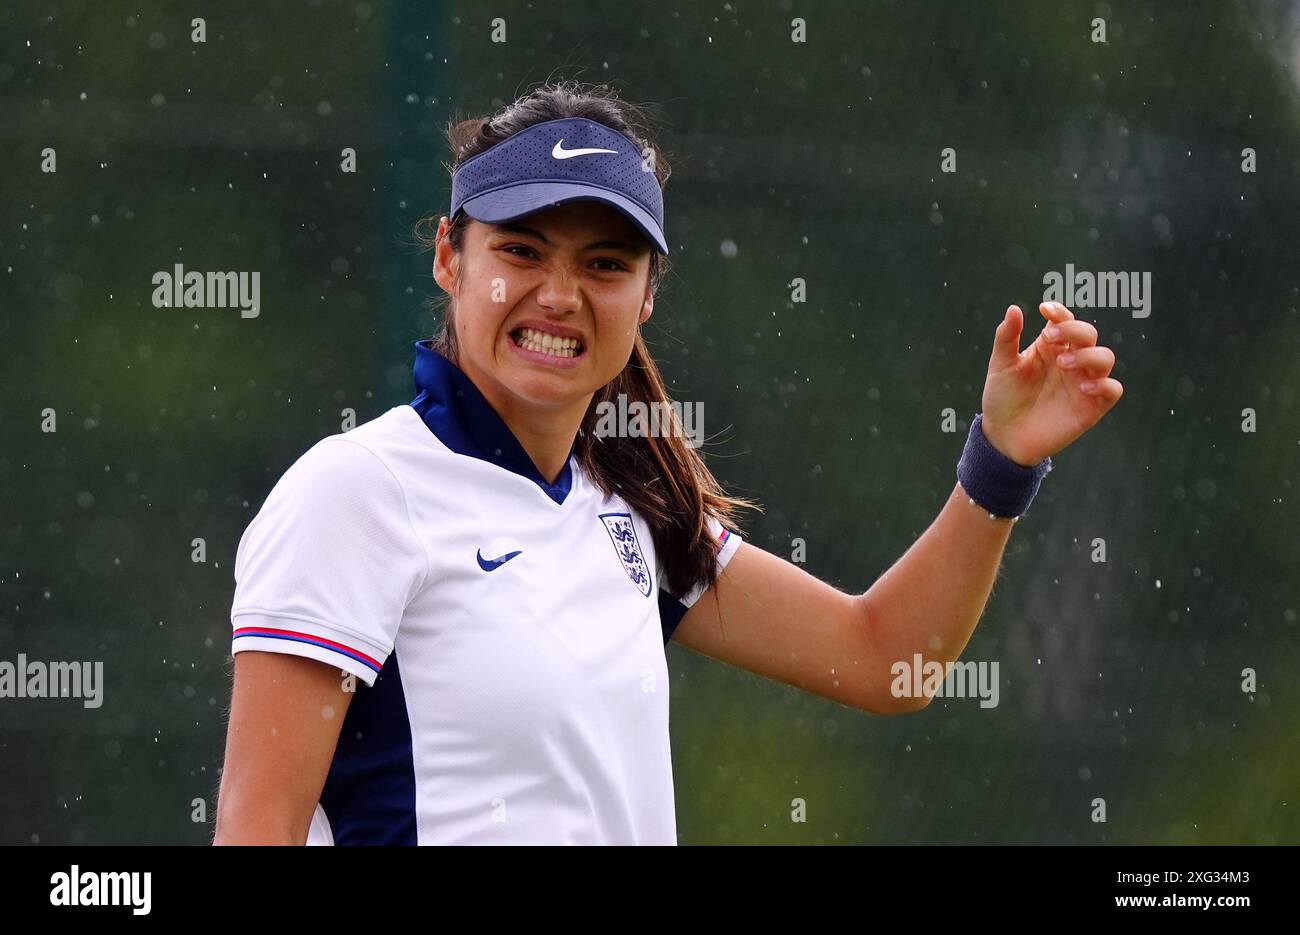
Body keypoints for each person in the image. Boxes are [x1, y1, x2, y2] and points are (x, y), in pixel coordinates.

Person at [213, 82, 1123, 845]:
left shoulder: (626, 510)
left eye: (604, 263)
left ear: (647, 296)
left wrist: (998, 461)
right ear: (452, 257)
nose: (559, 295)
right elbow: (257, 829)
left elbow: (886, 659)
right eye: (521, 250)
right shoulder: (357, 493)